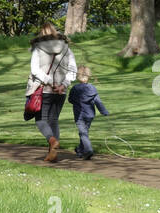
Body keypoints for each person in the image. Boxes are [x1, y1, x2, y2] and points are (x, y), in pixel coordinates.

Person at [26, 22, 76, 162]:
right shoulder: (66, 48)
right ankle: (52, 154)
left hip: (44, 90)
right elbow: (73, 70)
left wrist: (49, 82)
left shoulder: (37, 49)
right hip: (61, 92)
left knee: (40, 120)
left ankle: (52, 140)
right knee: (53, 120)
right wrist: (63, 85)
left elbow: (35, 70)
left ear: (41, 33)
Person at [67, 66, 109, 160]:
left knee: (83, 133)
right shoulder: (92, 88)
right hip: (90, 115)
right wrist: (103, 111)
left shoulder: (74, 88)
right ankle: (80, 150)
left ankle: (88, 150)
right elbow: (98, 101)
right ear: (89, 76)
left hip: (79, 115)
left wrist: (76, 102)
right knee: (84, 132)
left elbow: (70, 100)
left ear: (78, 76)